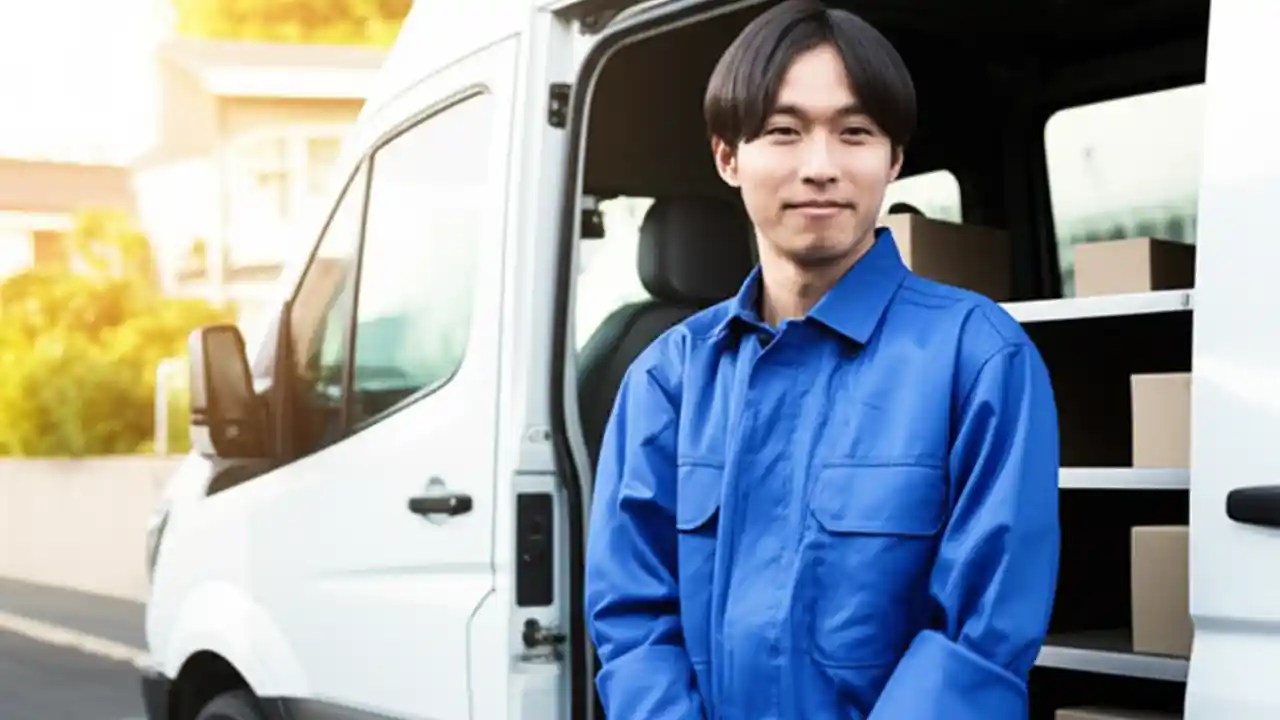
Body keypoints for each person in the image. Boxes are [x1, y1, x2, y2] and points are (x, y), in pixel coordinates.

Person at [583, 1, 1061, 718]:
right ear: (728, 156)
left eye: (855, 133)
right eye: (783, 132)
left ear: (893, 158)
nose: (820, 167)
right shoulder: (665, 379)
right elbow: (633, 621)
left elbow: (979, 637)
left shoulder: (981, 358)